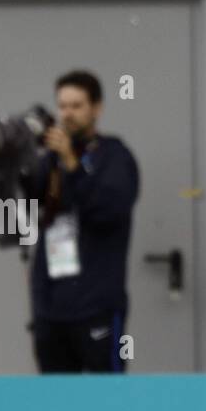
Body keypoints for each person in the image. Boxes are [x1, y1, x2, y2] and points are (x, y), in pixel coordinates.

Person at [20, 69, 140, 373]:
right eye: (62, 106)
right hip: (51, 307)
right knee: (55, 403)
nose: (68, 114)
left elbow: (108, 212)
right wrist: (16, 163)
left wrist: (73, 165)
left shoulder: (114, 156)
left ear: (96, 109)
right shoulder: (49, 161)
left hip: (96, 305)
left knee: (107, 399)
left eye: (77, 106)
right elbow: (17, 217)